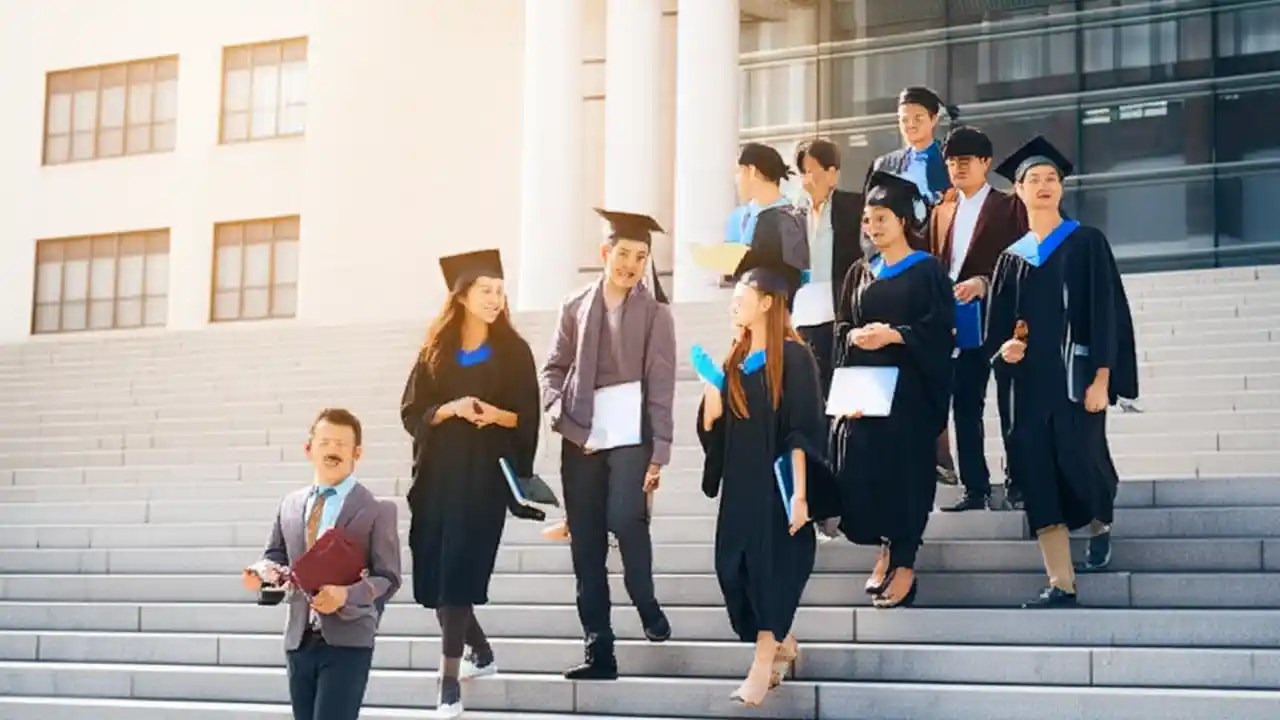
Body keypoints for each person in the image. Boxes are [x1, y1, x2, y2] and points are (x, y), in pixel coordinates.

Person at [985, 135, 1138, 608]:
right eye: (1034, 179)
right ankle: (1061, 581)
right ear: (1019, 191)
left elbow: (1107, 312)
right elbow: (998, 331)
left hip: (1076, 380)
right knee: (1036, 473)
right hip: (1029, 387)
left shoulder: (1086, 243)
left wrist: (1103, 379)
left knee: (1081, 461)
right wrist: (1004, 349)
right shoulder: (1011, 259)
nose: (1045, 185)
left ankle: (1099, 524)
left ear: (1062, 189)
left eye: (1052, 178)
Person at [399, 249, 545, 717]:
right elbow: (411, 411)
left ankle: (448, 684)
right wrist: (450, 408)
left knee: (460, 570)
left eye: (500, 292)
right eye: (486, 291)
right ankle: (480, 652)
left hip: (482, 479)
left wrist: (490, 413)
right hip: (437, 477)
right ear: (461, 296)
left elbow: (527, 415)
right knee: (439, 577)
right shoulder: (434, 350)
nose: (495, 300)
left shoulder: (513, 351)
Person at [693, 237, 834, 709]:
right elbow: (715, 428)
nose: (734, 300)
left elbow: (802, 431)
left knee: (771, 573)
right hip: (739, 489)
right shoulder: (735, 360)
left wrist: (799, 496)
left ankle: (760, 665)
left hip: (776, 491)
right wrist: (712, 391)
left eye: (743, 294)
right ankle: (784, 646)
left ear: (769, 302)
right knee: (733, 572)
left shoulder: (794, 357)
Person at [539, 208, 676, 680]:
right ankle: (600, 650)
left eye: (640, 257)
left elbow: (661, 386)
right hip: (581, 437)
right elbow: (553, 367)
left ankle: (646, 601)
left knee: (625, 517)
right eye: (623, 254)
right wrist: (559, 410)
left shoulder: (656, 314)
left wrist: (660, 451)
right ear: (605, 253)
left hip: (631, 435)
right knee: (587, 546)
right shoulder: (575, 305)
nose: (631, 264)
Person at [831, 171, 955, 610]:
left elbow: (941, 332)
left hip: (910, 395)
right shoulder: (858, 272)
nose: (873, 226)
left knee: (905, 477)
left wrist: (897, 335)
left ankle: (904, 563)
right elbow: (842, 324)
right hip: (867, 391)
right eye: (868, 219)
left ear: (903, 220)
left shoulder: (928, 270)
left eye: (881, 217)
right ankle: (886, 546)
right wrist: (853, 338)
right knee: (863, 473)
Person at [241, 408, 401, 720]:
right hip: (299, 638)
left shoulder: (377, 509)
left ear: (357, 453)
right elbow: (275, 555)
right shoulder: (289, 504)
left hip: (349, 639)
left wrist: (346, 594)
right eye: (326, 441)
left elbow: (389, 578)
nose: (333, 449)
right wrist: (264, 573)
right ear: (309, 449)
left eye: (342, 444)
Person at [927, 125, 1030, 507]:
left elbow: (1022, 261)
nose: (958, 167)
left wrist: (986, 282)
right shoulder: (942, 209)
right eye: (951, 161)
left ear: (986, 163)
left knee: (1012, 402)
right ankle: (975, 487)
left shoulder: (1009, 205)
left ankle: (1018, 480)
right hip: (958, 321)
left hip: (1000, 318)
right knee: (965, 404)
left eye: (966, 160)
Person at [793, 138, 867, 398]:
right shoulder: (795, 214)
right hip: (804, 312)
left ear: (832, 173)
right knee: (810, 392)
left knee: (839, 390)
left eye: (812, 169)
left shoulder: (853, 206)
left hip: (838, 308)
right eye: (803, 171)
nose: (806, 177)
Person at [728, 143, 809, 309]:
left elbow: (796, 272)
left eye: (738, 172)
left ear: (751, 171)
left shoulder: (791, 218)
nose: (736, 180)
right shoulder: (739, 217)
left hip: (777, 312)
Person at [865, 86, 956, 222]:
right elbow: (869, 215)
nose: (911, 125)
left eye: (918, 118)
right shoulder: (884, 165)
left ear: (934, 119)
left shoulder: (950, 159)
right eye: (904, 120)